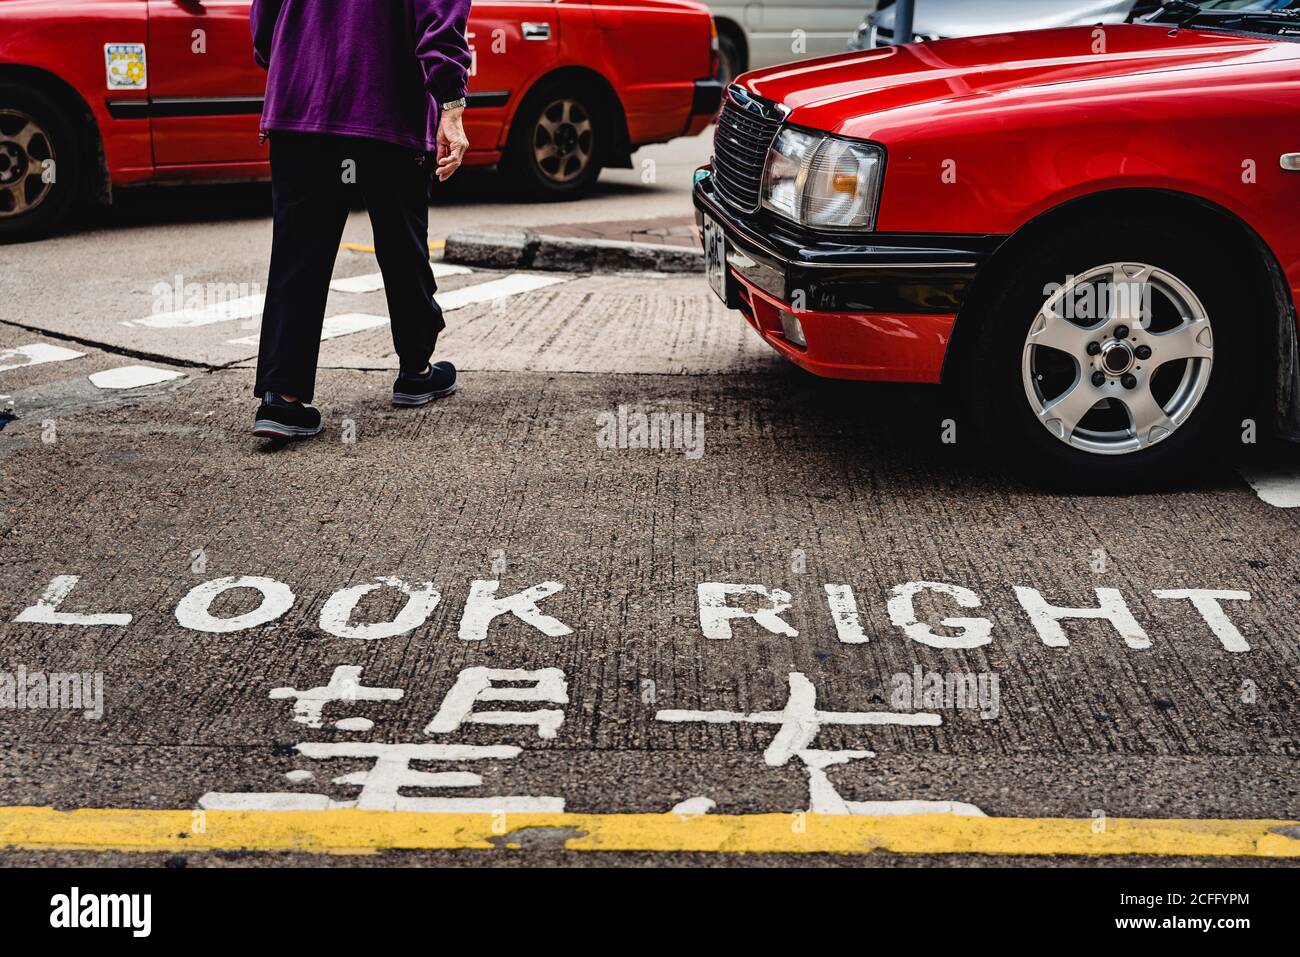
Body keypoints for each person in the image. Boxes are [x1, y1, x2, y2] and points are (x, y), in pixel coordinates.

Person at [248, 0, 472, 440]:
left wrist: (299, 57)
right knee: (402, 239)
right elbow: (438, 19)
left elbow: (263, 22)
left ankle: (283, 398)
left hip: (302, 100)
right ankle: (416, 368)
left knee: (298, 252)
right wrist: (451, 102)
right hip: (384, 102)